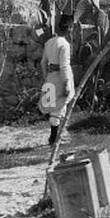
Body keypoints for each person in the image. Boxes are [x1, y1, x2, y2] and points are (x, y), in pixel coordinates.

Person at [39, 16, 76, 146]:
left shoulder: (49, 42)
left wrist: (46, 77)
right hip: (60, 78)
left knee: (53, 106)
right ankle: (54, 137)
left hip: (50, 77)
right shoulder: (64, 45)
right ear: (69, 28)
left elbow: (43, 62)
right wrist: (66, 83)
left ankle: (57, 135)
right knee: (59, 106)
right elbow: (64, 66)